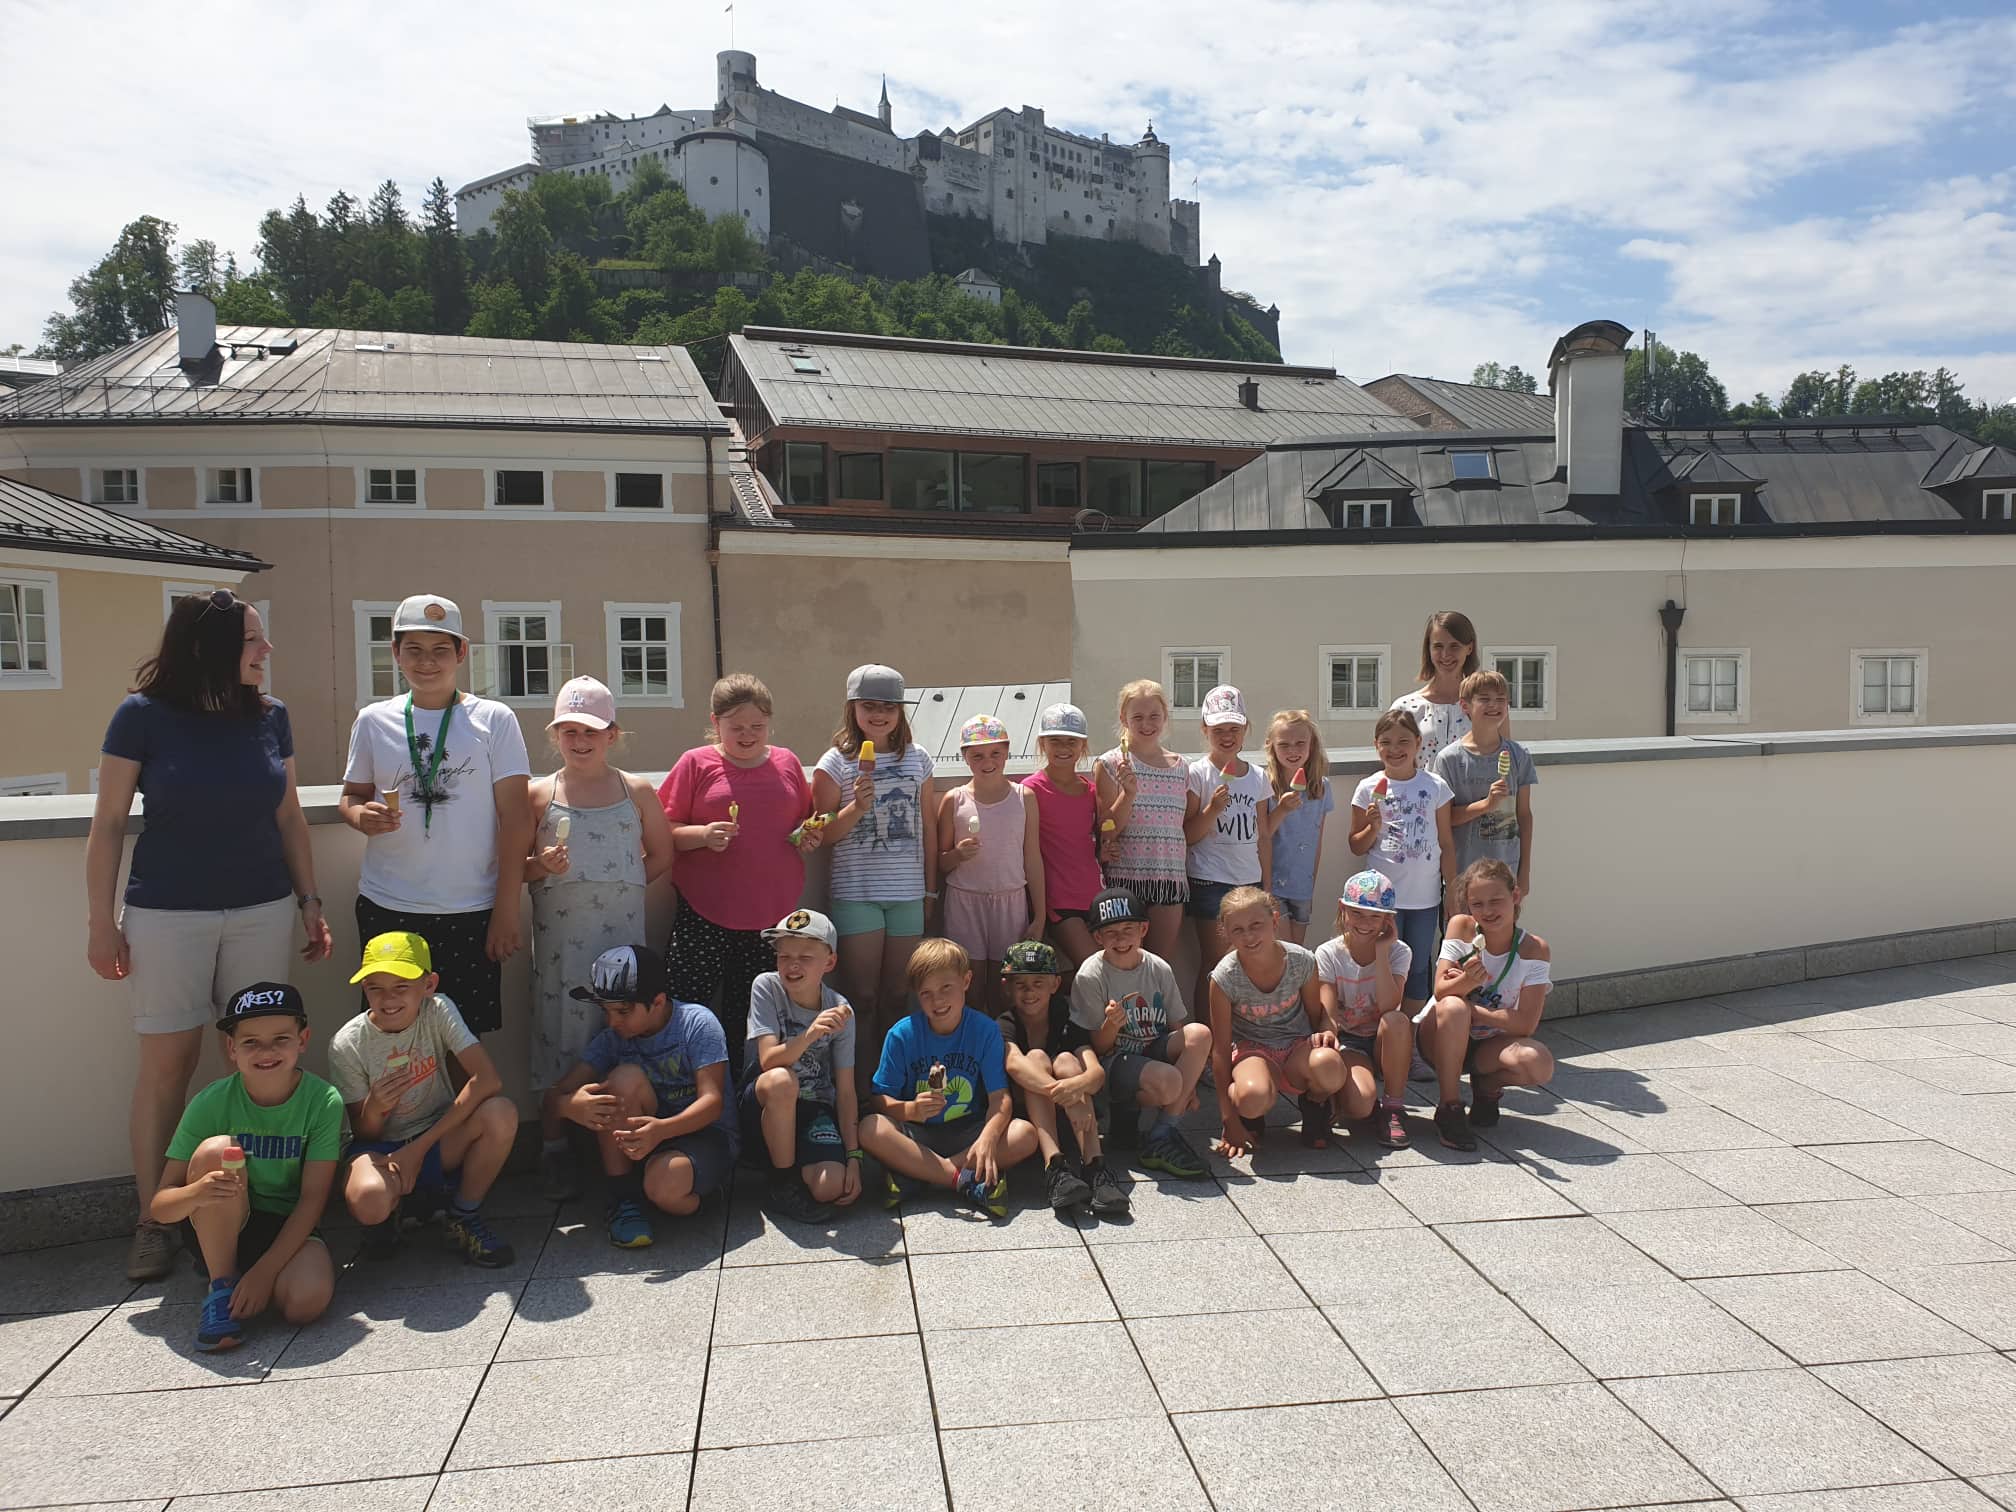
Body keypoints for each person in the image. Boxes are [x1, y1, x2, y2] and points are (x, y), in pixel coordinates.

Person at [87, 589, 334, 1282]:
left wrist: (309, 901)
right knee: (168, 1069)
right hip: (167, 915)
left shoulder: (271, 718)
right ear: (210, 649)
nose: (267, 651)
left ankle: (242, 1214)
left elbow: (289, 817)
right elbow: (107, 824)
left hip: (260, 909)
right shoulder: (142, 717)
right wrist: (99, 921)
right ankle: (153, 1220)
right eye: (254, 640)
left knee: (255, 1065)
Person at [336, 593, 533, 1037]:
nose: (427, 663)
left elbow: (517, 818)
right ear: (395, 653)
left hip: (471, 907)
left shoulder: (494, 719)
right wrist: (358, 816)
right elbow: (350, 796)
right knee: (389, 1035)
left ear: (461, 653)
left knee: (464, 1039)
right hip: (389, 903)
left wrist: (506, 910)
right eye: (414, 650)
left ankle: (459, 1111)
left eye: (440, 650)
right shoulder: (372, 720)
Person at [526, 676, 675, 1200]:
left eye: (591, 730)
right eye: (568, 730)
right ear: (555, 735)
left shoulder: (635, 791)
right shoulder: (540, 794)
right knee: (559, 1041)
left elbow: (661, 855)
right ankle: (554, 1147)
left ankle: (616, 1143)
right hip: (562, 949)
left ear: (612, 734)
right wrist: (538, 866)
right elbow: (514, 869)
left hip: (621, 947)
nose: (579, 740)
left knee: (618, 1034)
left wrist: (622, 888)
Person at [149, 983, 340, 1353]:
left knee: (307, 1303)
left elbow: (313, 1200)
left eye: (281, 1038)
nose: (266, 1051)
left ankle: (246, 1279)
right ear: (231, 1048)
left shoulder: (323, 1100)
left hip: (287, 1226)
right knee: (217, 1150)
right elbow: (161, 1205)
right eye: (251, 1042)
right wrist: (196, 1192)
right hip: (221, 1220)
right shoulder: (210, 1102)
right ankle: (222, 1285)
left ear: (303, 1040)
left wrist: (266, 1273)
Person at [658, 674, 822, 1079]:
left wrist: (808, 836)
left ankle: (744, 1103)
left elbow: (801, 822)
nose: (747, 735)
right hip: (704, 913)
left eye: (757, 726)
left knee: (751, 1019)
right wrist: (701, 835)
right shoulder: (695, 763)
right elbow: (662, 831)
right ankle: (684, 1094)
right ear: (715, 723)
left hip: (771, 918)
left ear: (770, 724)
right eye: (736, 727)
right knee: (687, 1010)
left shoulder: (786, 762)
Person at [329, 932, 520, 1268]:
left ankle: (462, 1216)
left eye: (401, 986)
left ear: (428, 985)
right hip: (383, 1150)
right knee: (369, 1200)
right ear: (364, 989)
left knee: (500, 1113)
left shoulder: (439, 1010)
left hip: (436, 1138)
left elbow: (488, 1079)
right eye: (376, 987)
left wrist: (418, 1149)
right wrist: (374, 1107)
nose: (388, 999)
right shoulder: (347, 1043)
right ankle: (390, 1219)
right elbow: (364, 1133)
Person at [548, 945, 738, 1248]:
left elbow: (712, 1103)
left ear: (658, 1002)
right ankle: (623, 1199)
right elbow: (556, 1095)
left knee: (664, 1188)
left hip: (702, 1135)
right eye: (606, 1011)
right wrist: (570, 1106)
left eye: (623, 1011)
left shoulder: (697, 1024)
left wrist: (661, 1130)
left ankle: (705, 1194)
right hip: (643, 1142)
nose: (613, 1022)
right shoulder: (611, 1039)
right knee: (622, 1078)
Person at [811, 665, 938, 1093]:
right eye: (870, 706)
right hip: (857, 892)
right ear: (853, 709)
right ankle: (858, 1088)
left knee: (899, 997)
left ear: (901, 712)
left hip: (906, 893)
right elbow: (822, 833)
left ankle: (893, 1084)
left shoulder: (918, 759)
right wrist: (855, 810)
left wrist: (930, 888)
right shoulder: (835, 763)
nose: (880, 715)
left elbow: (929, 827)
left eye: (889, 707)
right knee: (861, 998)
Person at [858, 938, 1038, 1219]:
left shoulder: (985, 1031)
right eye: (926, 993)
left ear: (966, 981)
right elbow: (879, 1099)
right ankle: (963, 1181)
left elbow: (999, 1097)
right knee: (870, 1128)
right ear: (916, 994)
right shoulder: (902, 1034)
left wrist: (989, 1137)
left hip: (969, 1133)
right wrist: (910, 1109)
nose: (938, 1000)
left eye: (946, 988)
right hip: (916, 1135)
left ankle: (918, 1176)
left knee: (1025, 1134)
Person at [1070, 886, 1212, 1178]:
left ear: (1143, 929)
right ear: (1098, 937)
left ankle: (1161, 1134)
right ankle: (1128, 1110)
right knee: (1171, 1082)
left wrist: (1191, 1079)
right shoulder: (1090, 974)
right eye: (1111, 932)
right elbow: (1096, 1047)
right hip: (1115, 1060)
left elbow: (1178, 1027)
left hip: (1152, 1049)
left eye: (1128, 929)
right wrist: (1112, 1023)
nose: (1121, 938)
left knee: (1200, 1034)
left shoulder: (1158, 967)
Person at [741, 909, 860, 1225]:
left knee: (831, 1187)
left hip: (813, 1107)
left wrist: (854, 1158)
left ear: (829, 962)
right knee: (782, 1080)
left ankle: (790, 1166)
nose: (792, 965)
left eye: (806, 957)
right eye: (784, 956)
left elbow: (846, 1090)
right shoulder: (766, 986)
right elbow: (768, 1060)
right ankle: (782, 1185)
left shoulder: (840, 1009)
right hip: (765, 1100)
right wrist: (810, 1034)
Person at [1428, 860, 1557, 1148]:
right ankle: (1449, 1106)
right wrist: (1464, 985)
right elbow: (1440, 992)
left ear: (1515, 896)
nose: (1487, 911)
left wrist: (1469, 1003)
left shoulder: (1535, 949)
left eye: (1496, 901)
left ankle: (1486, 1088)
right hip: (1439, 1035)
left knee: (1539, 1064)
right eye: (1477, 903)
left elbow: (1525, 1024)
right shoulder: (1461, 927)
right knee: (1453, 1008)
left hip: (1489, 1044)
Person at [1208, 887, 1347, 1154]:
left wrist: (1326, 1031)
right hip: (1253, 1050)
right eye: (1237, 929)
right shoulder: (1224, 977)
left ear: (1274, 921)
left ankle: (1315, 1105)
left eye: (1256, 925)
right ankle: (1251, 1116)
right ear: (1225, 931)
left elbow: (1316, 1013)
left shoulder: (1301, 961)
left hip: (1296, 1045)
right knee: (1252, 1096)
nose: (1248, 936)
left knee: (1329, 1064)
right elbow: (1221, 1050)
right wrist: (1229, 1118)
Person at [997, 939, 1129, 1215]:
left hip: (1073, 1117)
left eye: (1038, 983)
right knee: (1035, 1059)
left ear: (1055, 985)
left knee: (1069, 1061)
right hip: (1029, 1120)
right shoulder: (1006, 1023)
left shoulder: (1066, 1018)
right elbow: (1013, 1064)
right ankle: (1054, 1168)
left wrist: (1075, 1086)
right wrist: (1064, 1091)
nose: (1029, 992)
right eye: (1020, 985)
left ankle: (1094, 1165)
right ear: (1007, 987)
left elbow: (1095, 1073)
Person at [1349, 709, 1456, 1016]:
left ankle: (1412, 1034)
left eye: (1403, 741)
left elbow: (1446, 843)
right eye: (1386, 742)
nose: (1395, 749)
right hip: (1380, 901)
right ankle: (1384, 1033)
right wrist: (1371, 827)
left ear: (1418, 743)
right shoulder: (1367, 788)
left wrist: (1452, 890)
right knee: (1382, 966)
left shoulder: (1435, 786)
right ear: (1376, 745)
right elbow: (1356, 846)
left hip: (1425, 897)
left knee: (1419, 967)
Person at [938, 714, 1044, 1013]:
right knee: (967, 985)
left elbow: (1032, 858)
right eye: (978, 755)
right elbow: (941, 863)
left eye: (996, 753)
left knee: (1006, 987)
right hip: (964, 901)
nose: (988, 761)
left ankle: (1002, 1050)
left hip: (1011, 901)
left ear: (1008, 753)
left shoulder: (1025, 797)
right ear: (965, 758)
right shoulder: (954, 800)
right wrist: (957, 855)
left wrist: (1040, 916)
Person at [1183, 685, 1271, 1019]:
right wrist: (1212, 810)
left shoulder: (1259, 777)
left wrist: (1268, 884)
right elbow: (1187, 835)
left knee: (1249, 964)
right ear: (1205, 729)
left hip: (1250, 884)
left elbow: (1263, 835)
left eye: (1234, 728)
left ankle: (1242, 1037)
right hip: (1210, 882)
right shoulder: (1197, 774)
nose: (1227, 736)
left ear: (1246, 728)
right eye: (1218, 729)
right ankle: (1209, 1042)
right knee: (1216, 966)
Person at [1314, 871, 1413, 1149]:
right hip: (1352, 1041)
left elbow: (1388, 1006)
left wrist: (1381, 952)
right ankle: (1349, 1097)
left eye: (1374, 916)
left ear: (1387, 920)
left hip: (1386, 1039)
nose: (1365, 923)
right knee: (1359, 1107)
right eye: (1357, 913)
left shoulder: (1399, 952)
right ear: (1343, 909)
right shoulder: (1328, 953)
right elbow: (1329, 1014)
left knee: (1397, 1019)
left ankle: (1394, 1108)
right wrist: (1328, 1040)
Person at [1095, 680, 1189, 966]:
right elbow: (1107, 830)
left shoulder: (1181, 766)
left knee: (1158, 968)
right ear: (1124, 719)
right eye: (1137, 717)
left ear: (1164, 717)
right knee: (1123, 967)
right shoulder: (1110, 763)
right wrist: (1129, 794)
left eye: (1154, 716)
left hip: (1168, 882)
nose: (1146, 724)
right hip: (1125, 881)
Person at [1436, 670, 1538, 911]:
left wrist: (1524, 871)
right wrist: (1486, 805)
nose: (1494, 705)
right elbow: (1445, 820)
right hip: (1464, 877)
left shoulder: (1519, 756)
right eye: (1484, 699)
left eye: (1501, 699)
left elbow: (1524, 815)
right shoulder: (1449, 760)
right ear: (1465, 706)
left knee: (1501, 943)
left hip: (1506, 875)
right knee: (1464, 945)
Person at [1021, 703, 1106, 970]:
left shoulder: (1092, 790)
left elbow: (1094, 842)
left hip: (1096, 896)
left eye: (1071, 741)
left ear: (1083, 746)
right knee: (1095, 969)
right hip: (1058, 902)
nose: (1063, 748)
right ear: (1042, 744)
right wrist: (1040, 916)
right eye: (1054, 740)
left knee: (1114, 971)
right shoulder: (1030, 790)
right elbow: (1029, 854)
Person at [1259, 709, 1335, 944]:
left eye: (1300, 743)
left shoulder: (1321, 788)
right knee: (1283, 952)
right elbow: (1263, 835)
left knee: (1297, 953)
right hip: (1273, 886)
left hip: (1302, 886)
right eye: (1284, 745)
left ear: (1311, 745)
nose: (1293, 751)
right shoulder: (1265, 785)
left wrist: (1311, 885)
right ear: (1271, 746)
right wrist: (1267, 890)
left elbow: (1317, 841)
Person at [1391, 610, 1481, 770]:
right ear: (1429, 649)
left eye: (1454, 646)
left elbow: (1505, 761)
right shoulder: (1405, 708)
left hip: (1479, 796)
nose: (1446, 655)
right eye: (1438, 646)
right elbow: (1392, 766)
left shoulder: (1488, 704)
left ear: (1469, 648)